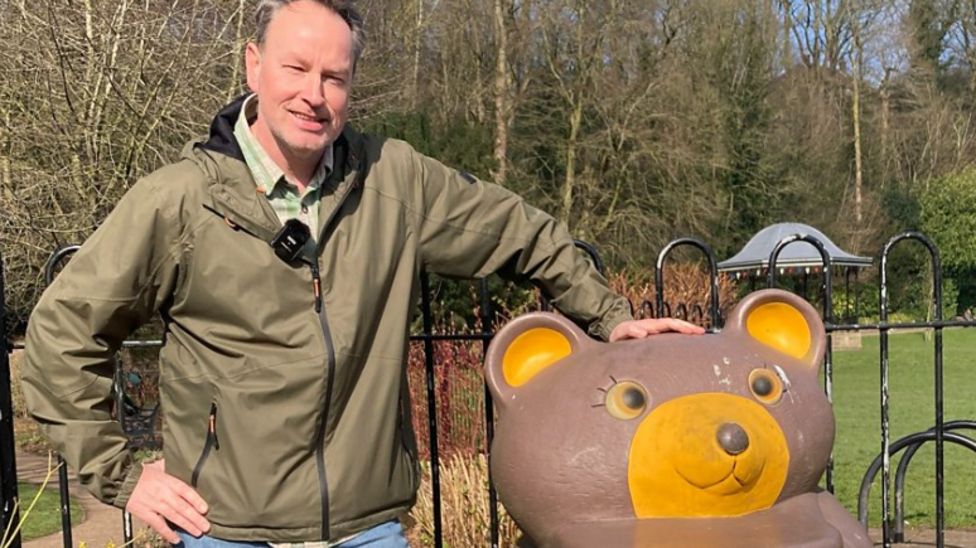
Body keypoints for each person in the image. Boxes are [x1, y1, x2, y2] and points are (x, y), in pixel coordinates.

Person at [20, 0, 703, 546]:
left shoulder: (394, 181)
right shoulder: (179, 203)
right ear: (253, 66)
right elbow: (59, 339)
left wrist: (612, 318)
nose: (313, 94)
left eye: (334, 77)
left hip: (367, 528)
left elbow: (521, 231)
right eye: (295, 68)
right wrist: (122, 476)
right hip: (222, 530)